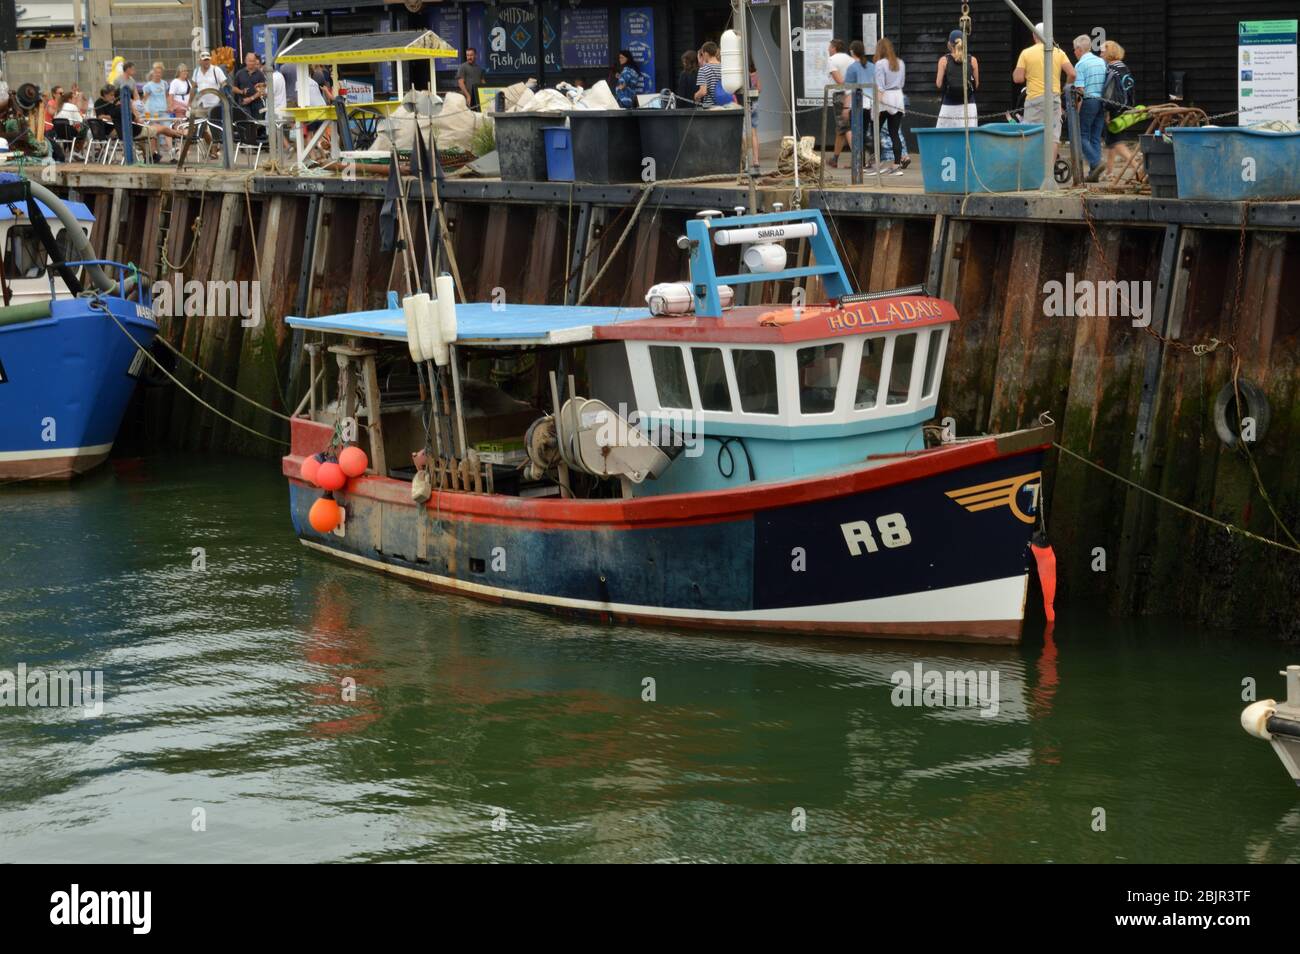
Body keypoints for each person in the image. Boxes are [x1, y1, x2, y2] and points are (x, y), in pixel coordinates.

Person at [1013, 23, 1075, 157]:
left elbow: (1018, 79)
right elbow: (1072, 74)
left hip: (1034, 99)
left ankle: (1034, 169)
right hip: (1054, 98)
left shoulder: (1026, 53)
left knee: (1031, 135)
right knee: (1053, 137)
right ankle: (1050, 173)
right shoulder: (1059, 52)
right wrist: (1064, 88)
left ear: (1034, 35)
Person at [1100, 40, 1137, 181]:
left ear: (1109, 52)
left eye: (1103, 51)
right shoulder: (1123, 67)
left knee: (1117, 142)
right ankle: (1109, 172)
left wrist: (1107, 110)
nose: (1100, 53)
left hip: (1115, 108)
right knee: (1112, 141)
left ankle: (1136, 165)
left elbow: (1110, 93)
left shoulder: (1111, 69)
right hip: (1125, 107)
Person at [1072, 36, 1107, 179]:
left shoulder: (1080, 65)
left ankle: (1096, 162)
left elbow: (1080, 89)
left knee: (1081, 136)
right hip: (1102, 101)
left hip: (1089, 101)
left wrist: (1076, 109)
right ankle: (1094, 173)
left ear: (1079, 49)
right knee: (1095, 137)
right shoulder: (1101, 62)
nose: (1074, 52)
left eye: (1074, 50)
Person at [874, 37, 908, 175]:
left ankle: (876, 163)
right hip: (898, 97)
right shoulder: (900, 62)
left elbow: (880, 86)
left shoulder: (880, 64)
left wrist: (877, 105)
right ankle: (896, 164)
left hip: (885, 97)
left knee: (875, 129)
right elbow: (902, 83)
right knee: (894, 133)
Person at [936, 29, 979, 128]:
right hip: (969, 106)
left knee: (944, 138)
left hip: (949, 105)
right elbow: (976, 85)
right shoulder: (972, 60)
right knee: (969, 138)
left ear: (949, 44)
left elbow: (938, 84)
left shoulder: (943, 60)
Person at [841, 41, 872, 170]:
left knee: (856, 133)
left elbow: (849, 90)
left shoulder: (852, 68)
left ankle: (859, 162)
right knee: (864, 132)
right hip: (870, 104)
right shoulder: (872, 66)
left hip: (857, 103)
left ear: (852, 52)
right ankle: (864, 161)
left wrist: (846, 108)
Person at [825, 38, 854, 167]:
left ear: (834, 48)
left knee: (845, 127)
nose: (828, 49)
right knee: (840, 128)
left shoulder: (832, 60)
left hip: (840, 95)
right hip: (854, 93)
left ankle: (857, 158)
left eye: (829, 47)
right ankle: (835, 159)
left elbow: (839, 80)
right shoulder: (851, 59)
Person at [232, 51, 266, 120]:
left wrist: (251, 99)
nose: (251, 63)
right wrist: (241, 91)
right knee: (246, 125)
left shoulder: (260, 74)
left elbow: (262, 90)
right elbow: (234, 88)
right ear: (245, 61)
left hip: (257, 104)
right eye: (249, 61)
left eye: (253, 61)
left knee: (257, 125)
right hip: (243, 104)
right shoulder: (239, 73)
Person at [192, 51, 227, 117]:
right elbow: (193, 87)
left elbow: (224, 83)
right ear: (200, 61)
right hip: (201, 104)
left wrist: (225, 88)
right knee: (199, 124)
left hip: (214, 104)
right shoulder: (196, 71)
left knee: (213, 124)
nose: (206, 62)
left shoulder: (216, 70)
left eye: (208, 60)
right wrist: (190, 102)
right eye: (204, 60)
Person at [694, 41, 721, 107]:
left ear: (706, 53)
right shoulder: (724, 67)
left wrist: (696, 96)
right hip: (725, 105)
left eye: (702, 54)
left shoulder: (703, 69)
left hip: (711, 108)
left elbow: (703, 91)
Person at [747, 59, 761, 167]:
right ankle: (756, 160)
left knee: (744, 133)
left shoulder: (742, 75)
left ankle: (747, 161)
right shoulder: (755, 74)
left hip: (746, 103)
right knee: (754, 134)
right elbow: (759, 89)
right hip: (755, 103)